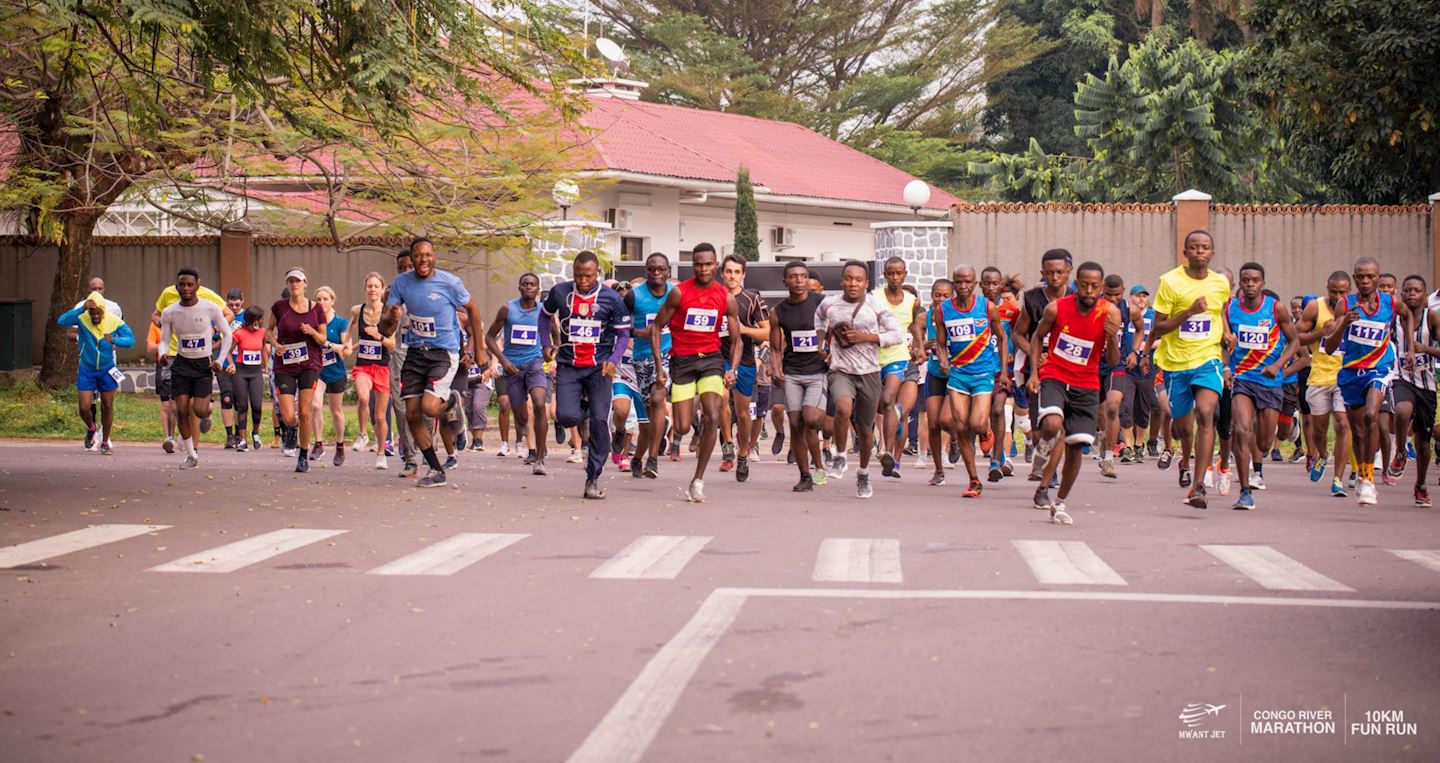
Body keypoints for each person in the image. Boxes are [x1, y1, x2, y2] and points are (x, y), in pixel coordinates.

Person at [379, 238, 487, 488]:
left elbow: (473, 308)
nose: (422, 260)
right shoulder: (401, 284)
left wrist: (479, 348)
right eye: (418, 256)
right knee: (412, 414)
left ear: (434, 256)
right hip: (415, 352)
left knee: (429, 407)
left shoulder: (449, 282)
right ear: (412, 259)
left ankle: (452, 402)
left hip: (443, 352)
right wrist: (392, 319)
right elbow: (385, 327)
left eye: (427, 255)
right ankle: (437, 470)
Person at [1028, 261, 1121, 524]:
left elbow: (1113, 361)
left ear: (1101, 288)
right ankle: (1043, 448)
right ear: (1075, 284)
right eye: (1084, 285)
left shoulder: (1110, 314)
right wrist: (1035, 373)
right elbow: (1037, 337)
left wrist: (1111, 338)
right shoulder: (1056, 308)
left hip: (1086, 383)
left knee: (1076, 447)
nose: (1089, 290)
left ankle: (1059, 502)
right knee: (1052, 423)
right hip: (1055, 374)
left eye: (1095, 286)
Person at [651, 243, 742, 503]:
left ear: (717, 266)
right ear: (693, 265)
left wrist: (732, 368)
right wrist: (660, 367)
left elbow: (737, 340)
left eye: (709, 264)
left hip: (711, 361)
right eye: (699, 264)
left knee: (713, 413)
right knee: (681, 425)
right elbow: (657, 328)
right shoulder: (679, 293)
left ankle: (697, 480)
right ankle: (696, 424)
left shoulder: (725, 297)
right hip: (682, 362)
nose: (704, 269)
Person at [1147, 230, 1231, 509]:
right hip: (1175, 364)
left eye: (1205, 247)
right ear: (1185, 252)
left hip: (1207, 359)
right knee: (1183, 429)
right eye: (1194, 247)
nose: (1199, 252)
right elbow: (1159, 326)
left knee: (1206, 413)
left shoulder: (1220, 283)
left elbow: (1218, 313)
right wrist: (1188, 313)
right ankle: (1185, 459)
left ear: (1212, 253)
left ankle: (1198, 488)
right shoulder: (1170, 282)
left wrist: (1226, 335)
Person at [538, 250, 631, 498]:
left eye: (588, 276)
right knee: (566, 416)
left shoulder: (611, 299)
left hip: (600, 368)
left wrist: (613, 360)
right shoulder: (560, 292)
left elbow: (623, 335)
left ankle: (593, 478)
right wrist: (546, 346)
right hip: (569, 364)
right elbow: (544, 317)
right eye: (578, 275)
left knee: (600, 422)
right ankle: (582, 407)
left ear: (597, 272)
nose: (583, 281)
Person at [1324, 257, 1412, 507]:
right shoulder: (1345, 304)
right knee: (1359, 432)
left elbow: (1408, 314)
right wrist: (1343, 324)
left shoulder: (1391, 303)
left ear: (1378, 277)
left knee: (1372, 415)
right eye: (1360, 277)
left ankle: (1368, 478)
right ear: (1354, 279)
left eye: (1370, 277)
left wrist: (1411, 346)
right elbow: (1330, 348)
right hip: (1351, 372)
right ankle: (1362, 474)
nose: (1365, 281)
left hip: (1379, 369)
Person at [817, 260, 905, 499]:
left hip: (869, 372)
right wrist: (821, 343)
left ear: (866, 283)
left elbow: (897, 334)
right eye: (848, 278)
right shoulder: (830, 304)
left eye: (858, 280)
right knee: (843, 407)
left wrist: (865, 337)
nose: (853, 284)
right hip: (840, 369)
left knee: (866, 430)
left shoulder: (875, 306)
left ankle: (864, 473)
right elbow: (820, 319)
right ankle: (840, 456)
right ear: (842, 280)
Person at [1222, 264, 1298, 510]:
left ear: (1262, 283)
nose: (1250, 284)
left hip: (1270, 381)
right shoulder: (1230, 309)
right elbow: (1223, 341)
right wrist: (1225, 364)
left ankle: (1285, 431)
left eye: (1255, 280)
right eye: (1245, 280)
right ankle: (1245, 492)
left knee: (1263, 443)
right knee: (1241, 430)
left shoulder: (1276, 308)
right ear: (1240, 284)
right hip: (1242, 379)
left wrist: (1277, 365)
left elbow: (1294, 341)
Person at [934, 264, 1009, 498]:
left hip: (984, 373)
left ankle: (986, 431)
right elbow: (940, 341)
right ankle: (974, 480)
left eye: (968, 282)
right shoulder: (943, 310)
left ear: (974, 284)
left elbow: (1002, 337)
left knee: (976, 424)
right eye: (959, 282)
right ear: (954, 283)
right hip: (958, 374)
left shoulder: (986, 307)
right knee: (961, 427)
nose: (963, 286)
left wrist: (1004, 371)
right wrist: (944, 359)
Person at [158, 266, 233, 469]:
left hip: (203, 364)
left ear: (197, 285)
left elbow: (228, 335)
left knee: (199, 410)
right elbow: (164, 340)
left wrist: (220, 360)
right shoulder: (170, 312)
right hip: (181, 363)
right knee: (181, 410)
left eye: (190, 284)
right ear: (177, 286)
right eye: (182, 284)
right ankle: (191, 455)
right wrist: (162, 353)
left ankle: (208, 412)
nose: (186, 288)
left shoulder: (210, 308)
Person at [1013, 250, 1074, 476]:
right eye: (1049, 273)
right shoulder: (1032, 299)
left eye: (1059, 272)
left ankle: (1051, 473)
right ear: (1042, 273)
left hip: (1069, 365)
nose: (1055, 277)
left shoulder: (1078, 298)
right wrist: (1033, 353)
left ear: (1069, 272)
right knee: (1040, 427)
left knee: (1059, 423)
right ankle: (1041, 454)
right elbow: (1018, 334)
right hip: (1039, 366)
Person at [770, 261, 830, 491]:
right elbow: (775, 347)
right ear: (785, 281)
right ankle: (806, 475)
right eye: (793, 277)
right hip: (793, 372)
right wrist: (776, 368)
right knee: (796, 424)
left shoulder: (821, 303)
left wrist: (831, 351)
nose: (799, 281)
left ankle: (820, 465)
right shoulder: (778, 311)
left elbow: (836, 328)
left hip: (817, 372)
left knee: (811, 419)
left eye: (803, 276)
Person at [1296, 272, 1354, 497]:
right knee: (1319, 431)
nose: (1338, 296)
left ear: (1349, 291)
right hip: (1319, 374)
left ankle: (1338, 478)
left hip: (1345, 375)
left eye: (1343, 292)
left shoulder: (1355, 309)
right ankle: (1322, 455)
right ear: (1327, 288)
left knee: (1342, 424)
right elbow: (1296, 336)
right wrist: (1321, 332)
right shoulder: (1315, 307)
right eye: (1334, 291)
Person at [58, 290, 134, 455]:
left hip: (107, 370)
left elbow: (131, 340)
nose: (94, 315)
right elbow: (61, 321)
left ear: (103, 310)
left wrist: (115, 340)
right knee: (84, 407)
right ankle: (91, 427)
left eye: (97, 311)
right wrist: (81, 309)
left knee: (107, 405)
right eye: (91, 311)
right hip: (87, 369)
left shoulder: (114, 321)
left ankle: (105, 441)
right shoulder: (82, 318)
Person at [486, 273, 549, 472]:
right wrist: (503, 361)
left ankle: (539, 457)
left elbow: (556, 334)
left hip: (535, 365)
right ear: (519, 287)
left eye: (533, 284)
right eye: (525, 284)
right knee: (522, 418)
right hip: (512, 368)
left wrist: (551, 352)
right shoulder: (507, 308)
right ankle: (531, 443)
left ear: (538, 289)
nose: (529, 287)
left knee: (539, 404)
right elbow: (489, 337)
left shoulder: (544, 312)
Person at [267, 269, 328, 473]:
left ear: (305, 284)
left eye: (298, 281)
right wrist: (275, 344)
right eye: (291, 281)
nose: (294, 285)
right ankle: (291, 429)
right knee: (287, 415)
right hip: (285, 364)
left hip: (309, 363)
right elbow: (268, 330)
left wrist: (311, 331)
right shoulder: (279, 307)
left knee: (304, 411)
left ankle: (303, 455)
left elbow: (323, 339)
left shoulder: (316, 309)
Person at [718, 254, 771, 482]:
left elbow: (768, 332)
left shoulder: (752, 300)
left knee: (742, 412)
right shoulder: (714, 296)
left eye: (736, 272)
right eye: (728, 271)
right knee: (719, 398)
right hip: (717, 358)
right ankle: (728, 442)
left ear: (743, 275)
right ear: (722, 273)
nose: (732, 276)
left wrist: (744, 330)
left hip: (746, 359)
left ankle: (743, 452)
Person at [875, 257, 926, 481]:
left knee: (902, 412)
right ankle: (885, 447)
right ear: (885, 275)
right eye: (890, 274)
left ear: (905, 273)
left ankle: (893, 460)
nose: (895, 278)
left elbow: (914, 325)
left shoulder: (913, 301)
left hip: (905, 360)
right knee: (885, 406)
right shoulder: (874, 298)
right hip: (877, 361)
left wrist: (920, 347)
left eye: (899, 273)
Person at [1391, 275, 1439, 506]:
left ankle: (1420, 485)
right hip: (1402, 378)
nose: (1411, 294)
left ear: (1424, 294)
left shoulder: (1433, 318)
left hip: (1427, 385)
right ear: (1402, 294)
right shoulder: (1394, 320)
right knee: (1401, 411)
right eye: (1407, 290)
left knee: (1423, 442)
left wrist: (1425, 348)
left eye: (1417, 290)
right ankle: (1400, 451)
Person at [1097, 274, 1147, 479]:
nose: (1112, 299)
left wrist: (1135, 351)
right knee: (1101, 413)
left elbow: (1141, 328)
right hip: (1092, 365)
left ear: (1123, 291)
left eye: (1117, 295)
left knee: (1113, 404)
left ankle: (1109, 457)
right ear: (1102, 290)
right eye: (1108, 294)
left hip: (1115, 364)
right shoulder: (1093, 306)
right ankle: (1104, 436)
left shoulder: (1129, 309)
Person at [349, 272, 395, 469]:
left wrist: (378, 336)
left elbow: (392, 345)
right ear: (365, 288)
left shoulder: (389, 313)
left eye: (376, 286)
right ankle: (362, 434)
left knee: (379, 416)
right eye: (370, 286)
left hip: (382, 367)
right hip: (363, 366)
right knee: (363, 398)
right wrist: (347, 343)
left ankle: (381, 453)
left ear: (382, 289)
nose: (373, 290)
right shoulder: (357, 310)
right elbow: (349, 328)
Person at [386, 249, 420, 477]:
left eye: (410, 267)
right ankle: (409, 458)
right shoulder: (392, 294)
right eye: (401, 268)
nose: (406, 271)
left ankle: (425, 448)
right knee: (400, 407)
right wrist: (391, 319)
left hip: (424, 354)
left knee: (423, 408)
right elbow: (385, 327)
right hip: (399, 354)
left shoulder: (431, 290)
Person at [309, 286, 351, 466]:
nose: (322, 302)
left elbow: (346, 349)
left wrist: (327, 344)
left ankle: (340, 446)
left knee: (336, 411)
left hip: (336, 371)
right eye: (318, 299)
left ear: (332, 301)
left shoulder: (341, 322)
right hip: (318, 371)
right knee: (315, 405)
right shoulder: (312, 322)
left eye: (325, 299)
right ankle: (318, 444)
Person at [921, 278, 955, 486]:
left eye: (946, 296)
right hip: (935, 373)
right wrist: (923, 345)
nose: (942, 299)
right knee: (933, 423)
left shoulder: (957, 314)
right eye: (937, 295)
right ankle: (938, 470)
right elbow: (917, 342)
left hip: (956, 373)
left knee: (946, 420)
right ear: (931, 296)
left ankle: (957, 439)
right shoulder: (925, 317)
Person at [1120, 284, 1158, 463]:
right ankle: (1127, 445)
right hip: (1126, 368)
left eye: (1144, 296)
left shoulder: (1154, 316)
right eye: (1138, 296)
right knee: (1125, 406)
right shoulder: (1125, 314)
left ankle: (1139, 444)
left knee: (1143, 409)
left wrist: (1146, 346)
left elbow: (1164, 338)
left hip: (1147, 368)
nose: (1141, 299)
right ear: (1130, 298)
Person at [228, 306, 268, 452]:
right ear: (254, 320)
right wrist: (231, 364)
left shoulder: (262, 332)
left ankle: (255, 433)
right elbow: (228, 351)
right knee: (242, 406)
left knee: (257, 406)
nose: (263, 320)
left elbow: (263, 348)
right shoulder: (239, 333)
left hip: (256, 372)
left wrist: (266, 365)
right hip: (241, 372)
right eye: (261, 318)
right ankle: (242, 439)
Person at [217, 288, 246, 449]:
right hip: (223, 363)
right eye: (230, 305)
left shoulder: (247, 317)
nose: (234, 308)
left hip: (242, 364)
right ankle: (229, 436)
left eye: (236, 304)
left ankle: (238, 434)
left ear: (243, 301)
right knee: (226, 398)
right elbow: (214, 336)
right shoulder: (221, 316)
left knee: (240, 402)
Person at [146, 321, 178, 453]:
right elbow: (150, 347)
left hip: (181, 363)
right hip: (164, 364)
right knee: (166, 404)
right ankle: (168, 438)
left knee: (176, 404)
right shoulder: (156, 324)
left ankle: (179, 435)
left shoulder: (181, 320)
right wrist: (164, 345)